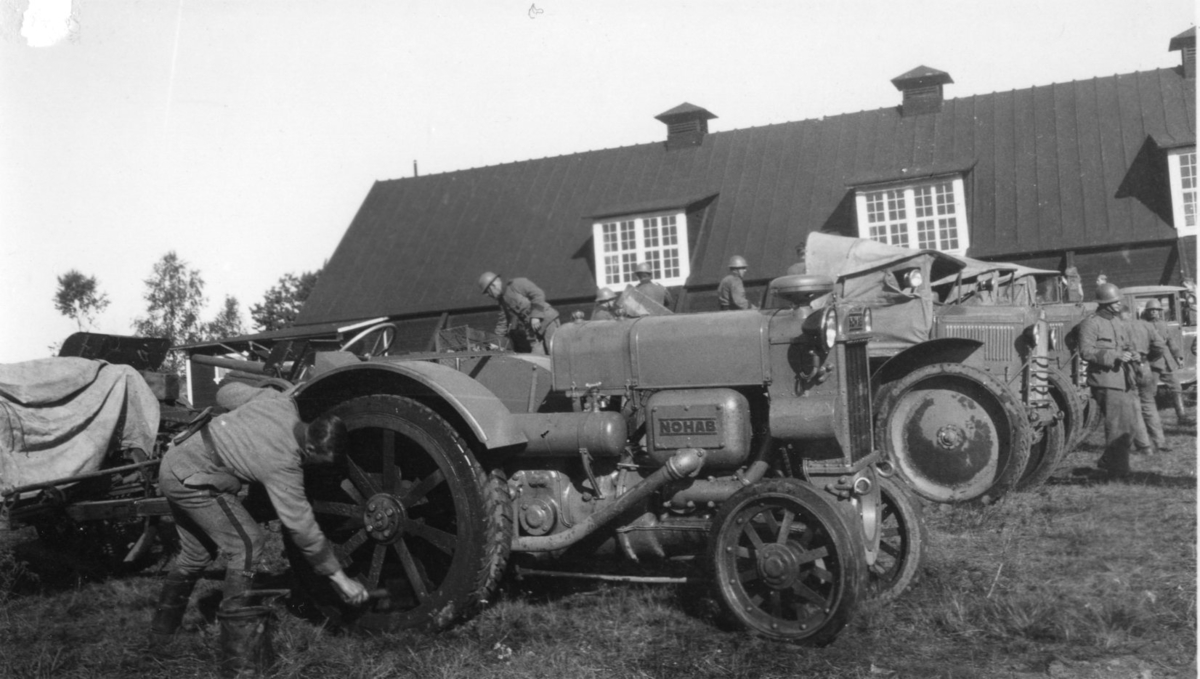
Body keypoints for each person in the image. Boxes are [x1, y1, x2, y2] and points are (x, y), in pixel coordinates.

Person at [149, 383, 369, 650]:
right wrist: (341, 579)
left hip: (176, 461)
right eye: (321, 463)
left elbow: (224, 393)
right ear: (310, 450)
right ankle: (235, 644)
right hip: (191, 477)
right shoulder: (281, 464)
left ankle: (161, 638)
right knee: (247, 545)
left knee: (196, 555)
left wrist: (267, 395)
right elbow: (302, 527)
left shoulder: (280, 404)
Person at [1077, 282, 1141, 478]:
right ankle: (1118, 472)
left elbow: (1126, 345)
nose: (1118, 304)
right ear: (1104, 303)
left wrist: (1134, 354)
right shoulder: (1091, 323)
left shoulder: (1116, 321)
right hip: (1104, 381)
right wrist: (1114, 356)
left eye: (1118, 301)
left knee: (1129, 427)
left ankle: (1107, 461)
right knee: (1116, 427)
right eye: (1114, 301)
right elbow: (1086, 351)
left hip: (1123, 379)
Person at [478, 271, 561, 355]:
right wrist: (495, 342)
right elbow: (503, 322)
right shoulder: (502, 301)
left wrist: (536, 316)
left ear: (493, 286)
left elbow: (538, 294)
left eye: (487, 292)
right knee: (536, 359)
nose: (489, 296)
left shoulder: (517, 284)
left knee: (554, 353)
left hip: (547, 320)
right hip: (531, 330)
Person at [1143, 299, 1194, 426]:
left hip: (1166, 363)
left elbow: (1171, 341)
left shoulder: (1163, 324)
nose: (1154, 312)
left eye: (1157, 310)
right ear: (1147, 312)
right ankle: (1149, 420)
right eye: (1151, 310)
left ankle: (1182, 417)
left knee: (1176, 387)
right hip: (1152, 364)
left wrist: (1178, 356)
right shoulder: (1143, 325)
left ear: (1160, 312)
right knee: (1150, 392)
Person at [1126, 309, 1170, 453]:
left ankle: (1144, 446)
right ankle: (1160, 442)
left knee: (1134, 406)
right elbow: (1160, 346)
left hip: (1127, 368)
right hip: (1144, 366)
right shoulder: (1145, 325)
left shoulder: (1117, 325)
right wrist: (1148, 358)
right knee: (1149, 404)